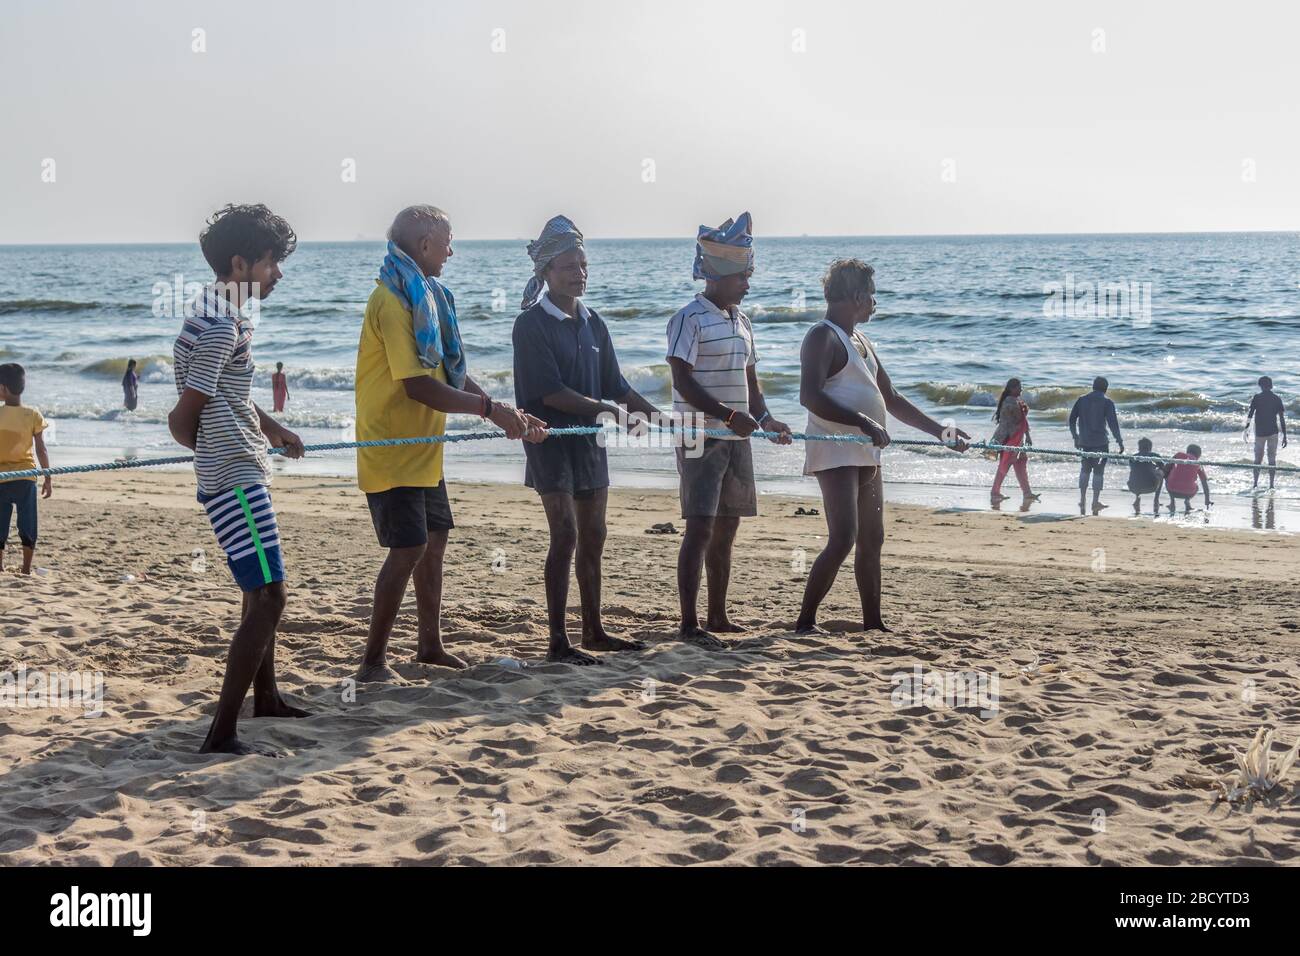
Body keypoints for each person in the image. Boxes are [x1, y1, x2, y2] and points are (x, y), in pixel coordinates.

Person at [355, 205, 545, 682]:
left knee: (434, 543)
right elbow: (417, 385)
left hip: (424, 450)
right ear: (423, 246)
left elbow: (450, 373)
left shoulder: (429, 296)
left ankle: (429, 645)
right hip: (390, 449)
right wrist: (489, 412)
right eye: (446, 242)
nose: (451, 251)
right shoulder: (391, 300)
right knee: (407, 549)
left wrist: (505, 411)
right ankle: (372, 663)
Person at [167, 203, 308, 754]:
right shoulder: (222, 325)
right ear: (241, 262)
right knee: (270, 597)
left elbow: (230, 395)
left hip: (240, 463)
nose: (278, 274)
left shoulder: (213, 312)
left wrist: (272, 430)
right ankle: (221, 733)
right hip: (234, 476)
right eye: (272, 263)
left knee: (258, 593)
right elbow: (186, 414)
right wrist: (217, 453)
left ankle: (266, 695)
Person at [512, 216, 663, 664]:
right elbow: (549, 392)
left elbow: (616, 384)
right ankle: (558, 639)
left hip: (590, 444)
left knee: (594, 533)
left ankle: (594, 629)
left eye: (583, 265)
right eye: (568, 267)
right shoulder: (531, 324)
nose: (579, 274)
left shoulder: (595, 322)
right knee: (565, 534)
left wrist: (662, 419)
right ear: (546, 273)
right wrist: (610, 412)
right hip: (550, 441)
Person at [794, 260, 970, 635]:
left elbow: (890, 397)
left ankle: (873, 623)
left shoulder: (861, 341)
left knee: (873, 537)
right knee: (843, 537)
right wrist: (862, 422)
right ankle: (805, 621)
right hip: (836, 447)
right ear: (857, 297)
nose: (875, 303)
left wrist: (941, 432)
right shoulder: (821, 336)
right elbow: (809, 396)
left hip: (866, 449)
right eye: (872, 296)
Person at [666, 212, 792, 648]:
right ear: (718, 275)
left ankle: (717, 615)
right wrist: (726, 414)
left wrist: (767, 418)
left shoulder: (743, 322)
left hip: (737, 439)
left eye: (748, 275)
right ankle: (688, 622)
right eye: (742, 275)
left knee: (728, 529)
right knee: (700, 527)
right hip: (700, 437)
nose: (747, 284)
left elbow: (751, 383)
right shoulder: (689, 318)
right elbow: (682, 380)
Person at [0, 364, 53, 575]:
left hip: (1, 478)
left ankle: (1, 566)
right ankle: (26, 568)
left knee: (0, 523)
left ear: (3, 388)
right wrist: (47, 476)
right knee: (28, 523)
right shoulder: (33, 414)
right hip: (26, 477)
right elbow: (41, 449)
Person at [1068, 376, 1124, 515]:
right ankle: (1095, 501)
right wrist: (1119, 441)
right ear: (1105, 389)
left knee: (1085, 469)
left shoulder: (1082, 400)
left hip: (1084, 441)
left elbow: (1071, 419)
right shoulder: (1107, 402)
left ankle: (1082, 498)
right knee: (1099, 472)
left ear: (1093, 386)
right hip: (1101, 443)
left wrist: (1075, 437)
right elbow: (1113, 424)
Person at [989, 377, 1038, 506]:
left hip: (1017, 437)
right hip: (1009, 437)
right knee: (1006, 464)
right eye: (1018, 387)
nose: (1021, 389)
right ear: (1012, 389)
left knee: (1020, 463)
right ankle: (995, 492)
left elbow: (1022, 420)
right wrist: (1027, 435)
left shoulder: (1015, 401)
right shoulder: (1010, 402)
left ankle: (1027, 493)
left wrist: (1027, 435)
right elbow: (1020, 419)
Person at [1245, 376, 1287, 490]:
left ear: (1261, 385)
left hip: (1260, 433)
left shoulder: (1257, 397)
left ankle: (1255, 483)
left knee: (1258, 458)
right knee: (1272, 458)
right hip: (1273, 432)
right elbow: (1282, 418)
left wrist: (1246, 429)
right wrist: (1285, 436)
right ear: (1271, 385)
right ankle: (1271, 485)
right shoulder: (1276, 398)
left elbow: (1250, 414)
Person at [1164, 443, 1211, 513]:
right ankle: (1187, 503)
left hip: (1172, 490)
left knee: (1168, 475)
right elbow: (1204, 483)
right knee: (1196, 486)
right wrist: (1207, 500)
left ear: (1187, 451)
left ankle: (1172, 502)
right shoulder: (1198, 463)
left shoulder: (1179, 455)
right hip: (1189, 493)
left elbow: (1166, 467)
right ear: (1199, 455)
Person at [1125, 437, 1164, 515]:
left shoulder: (1133, 457)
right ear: (1150, 447)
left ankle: (1137, 498)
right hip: (1151, 486)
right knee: (1161, 473)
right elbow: (1162, 468)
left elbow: (1136, 469)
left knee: (1137, 474)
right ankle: (1156, 500)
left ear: (1139, 447)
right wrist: (1154, 469)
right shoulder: (1154, 455)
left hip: (1133, 487)